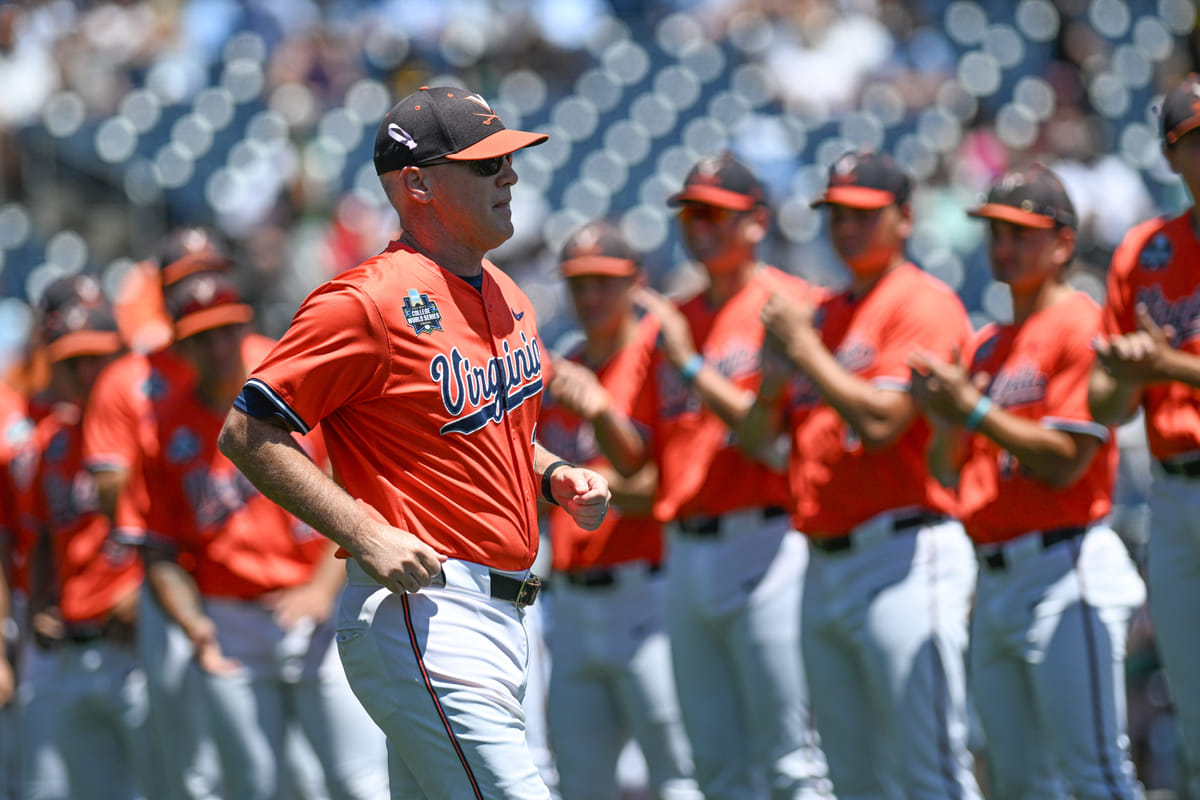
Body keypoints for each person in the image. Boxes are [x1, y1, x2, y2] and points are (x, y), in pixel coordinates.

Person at [217, 85, 611, 800]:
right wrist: (364, 530)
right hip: (425, 612)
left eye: (508, 161)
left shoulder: (505, 291)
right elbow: (247, 430)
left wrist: (554, 475)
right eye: (487, 166)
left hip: (504, 616)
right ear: (417, 183)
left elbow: (490, 433)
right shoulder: (365, 300)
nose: (510, 177)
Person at [587, 152, 829, 800]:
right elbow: (636, 452)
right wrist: (590, 410)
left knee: (791, 765)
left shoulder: (789, 305)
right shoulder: (669, 322)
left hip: (769, 542)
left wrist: (691, 367)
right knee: (717, 770)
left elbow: (766, 441)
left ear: (755, 222)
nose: (699, 227)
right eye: (691, 213)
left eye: (716, 214)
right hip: (685, 554)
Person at [743, 150, 982, 798]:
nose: (845, 228)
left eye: (862, 215)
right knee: (854, 780)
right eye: (836, 214)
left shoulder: (923, 301)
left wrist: (806, 352)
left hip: (904, 548)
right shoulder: (824, 312)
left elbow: (883, 424)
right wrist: (772, 380)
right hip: (822, 559)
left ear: (904, 218)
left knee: (929, 771)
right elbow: (760, 444)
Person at [910, 164, 1146, 798]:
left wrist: (974, 411)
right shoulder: (986, 346)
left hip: (1064, 563)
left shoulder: (1080, 322)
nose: (1004, 247)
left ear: (1064, 243)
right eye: (995, 233)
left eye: (1021, 233)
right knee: (1017, 785)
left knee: (1094, 772)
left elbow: (1067, 459)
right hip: (995, 575)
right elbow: (944, 471)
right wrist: (943, 421)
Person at [135, 269, 388, 800]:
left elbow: (353, 491)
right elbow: (157, 548)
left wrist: (322, 588)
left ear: (244, 325)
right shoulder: (165, 426)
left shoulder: (290, 393)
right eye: (202, 336)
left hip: (318, 609)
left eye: (226, 329)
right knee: (255, 788)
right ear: (180, 346)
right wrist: (195, 626)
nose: (218, 345)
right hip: (231, 625)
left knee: (359, 781)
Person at [539, 220, 700, 800]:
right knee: (579, 783)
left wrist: (600, 432)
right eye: (579, 284)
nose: (590, 297)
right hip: (575, 602)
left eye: (604, 283)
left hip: (649, 590)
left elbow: (674, 485)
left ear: (636, 282)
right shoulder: (561, 371)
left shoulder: (656, 355)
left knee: (679, 775)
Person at [81, 227, 229, 800]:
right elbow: (114, 493)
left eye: (211, 269)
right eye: (187, 278)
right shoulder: (129, 379)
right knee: (191, 770)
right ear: (164, 291)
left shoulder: (250, 352)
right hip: (177, 582)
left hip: (254, 575)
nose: (202, 284)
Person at [1089, 72, 1200, 799]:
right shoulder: (1143, 250)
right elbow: (1104, 404)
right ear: (1170, 156)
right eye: (1196, 141)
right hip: (1172, 493)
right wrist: (1133, 372)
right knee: (1194, 721)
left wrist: (1170, 365)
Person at [23, 274, 151, 800]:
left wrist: (145, 589)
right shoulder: (48, 441)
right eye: (72, 360)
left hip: (135, 646)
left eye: (97, 357)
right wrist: (38, 606)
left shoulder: (150, 427)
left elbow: (191, 530)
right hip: (70, 648)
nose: (86, 372)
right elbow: (42, 539)